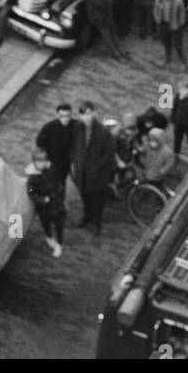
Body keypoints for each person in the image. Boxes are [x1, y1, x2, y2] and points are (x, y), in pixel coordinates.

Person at [71, 101, 115, 235]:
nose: (87, 118)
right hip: (81, 173)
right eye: (84, 115)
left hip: (97, 175)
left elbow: (108, 153)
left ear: (94, 113)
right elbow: (72, 147)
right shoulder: (76, 129)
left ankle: (96, 222)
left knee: (97, 201)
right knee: (85, 197)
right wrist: (74, 161)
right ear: (80, 116)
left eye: (89, 114)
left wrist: (97, 167)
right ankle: (87, 216)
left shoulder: (103, 132)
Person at [25, 149, 66, 257]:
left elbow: (58, 179)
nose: (42, 164)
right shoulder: (32, 177)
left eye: (43, 161)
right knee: (46, 223)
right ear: (34, 162)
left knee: (59, 224)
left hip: (57, 203)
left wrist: (60, 191)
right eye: (39, 162)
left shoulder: (51, 168)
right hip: (44, 207)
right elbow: (31, 193)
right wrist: (42, 200)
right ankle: (49, 237)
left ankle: (59, 244)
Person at [36, 103, 77, 189]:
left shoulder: (76, 126)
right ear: (57, 115)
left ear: (71, 114)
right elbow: (40, 143)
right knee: (53, 183)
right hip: (53, 161)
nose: (65, 119)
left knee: (65, 182)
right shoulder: (49, 127)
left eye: (67, 116)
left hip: (69, 161)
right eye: (62, 116)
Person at [153, 0, 187, 66]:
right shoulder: (158, 0)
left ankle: (181, 56)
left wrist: (181, 24)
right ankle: (167, 57)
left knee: (178, 42)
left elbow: (182, 13)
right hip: (164, 24)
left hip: (176, 25)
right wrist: (158, 20)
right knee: (166, 41)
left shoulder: (178, 0)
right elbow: (155, 11)